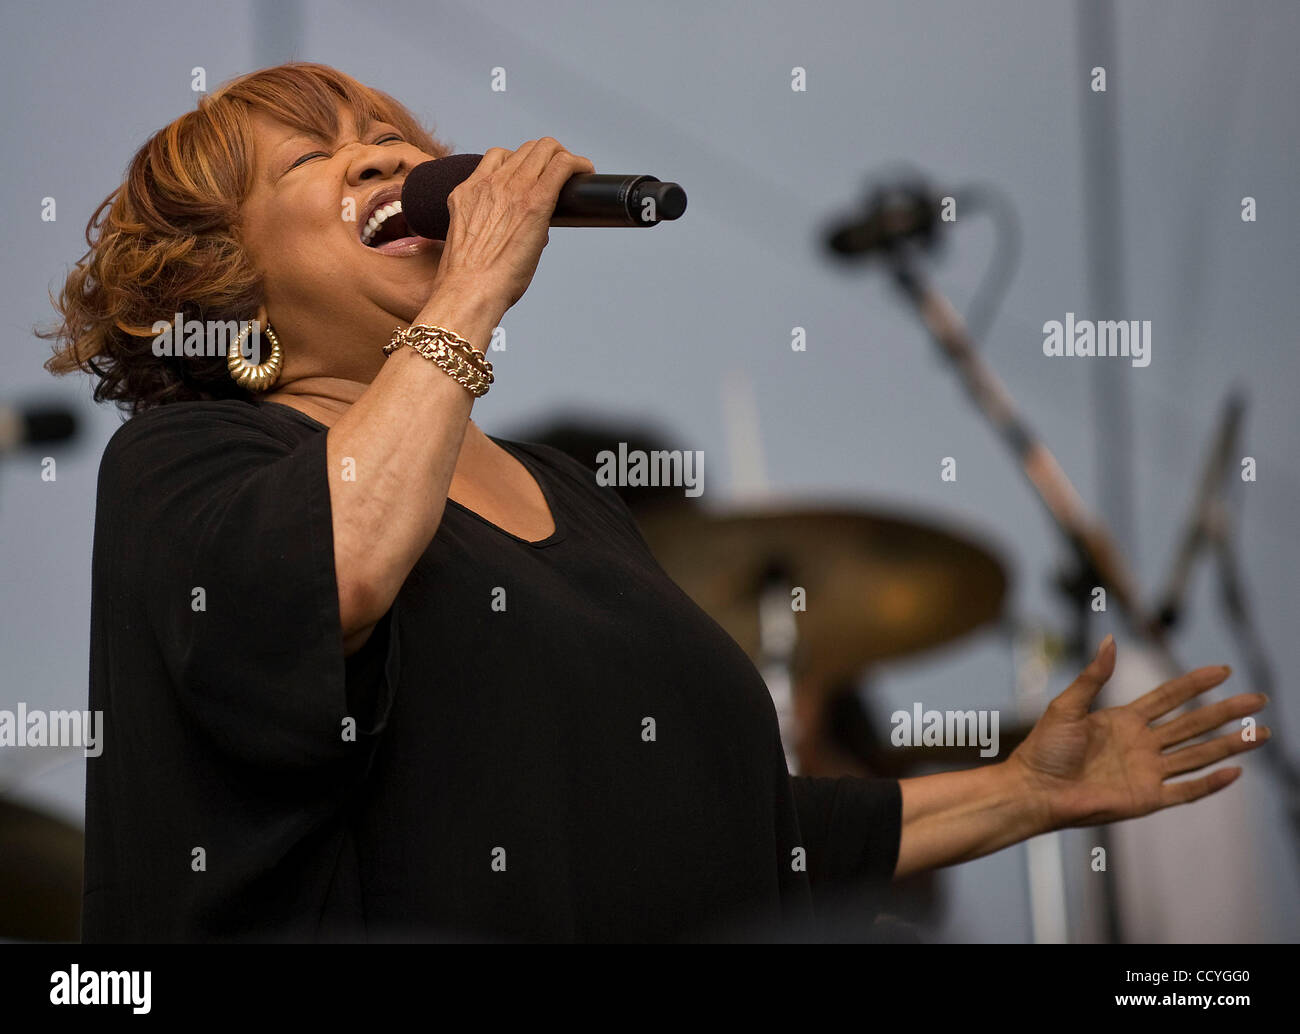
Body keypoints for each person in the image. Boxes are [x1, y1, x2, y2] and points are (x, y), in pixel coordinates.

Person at [43, 63, 1270, 943]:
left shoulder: (570, 503)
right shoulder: (186, 463)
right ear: (225, 282)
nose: (382, 152)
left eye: (392, 130)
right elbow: (334, 578)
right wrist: (465, 298)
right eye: (313, 155)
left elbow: (730, 827)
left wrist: (1027, 790)